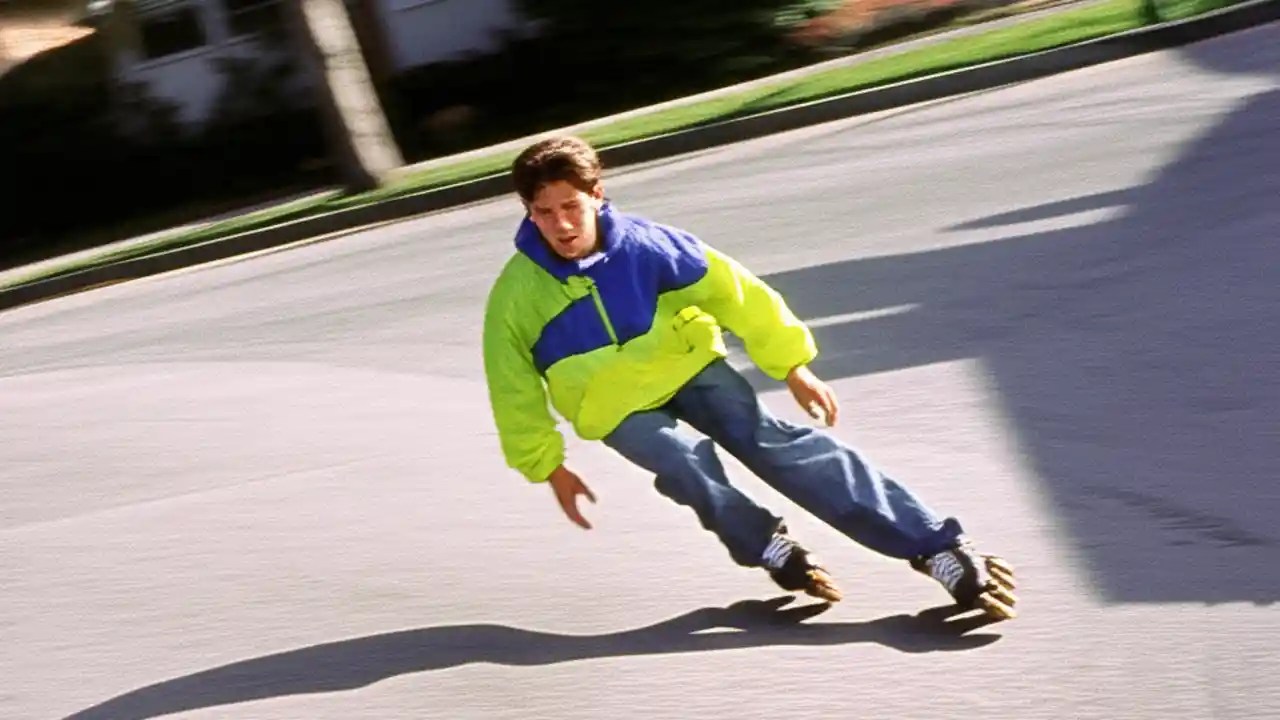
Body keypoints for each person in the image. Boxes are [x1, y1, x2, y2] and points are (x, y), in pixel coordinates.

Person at [481, 135, 1017, 619]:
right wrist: (547, 465)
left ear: (597, 194)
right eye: (544, 213)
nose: (562, 225)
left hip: (687, 366)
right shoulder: (517, 296)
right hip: (614, 404)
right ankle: (767, 544)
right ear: (528, 212)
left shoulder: (650, 247)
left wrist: (792, 365)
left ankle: (935, 546)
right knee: (684, 462)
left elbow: (738, 294)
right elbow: (511, 385)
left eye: (571, 206)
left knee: (779, 445)